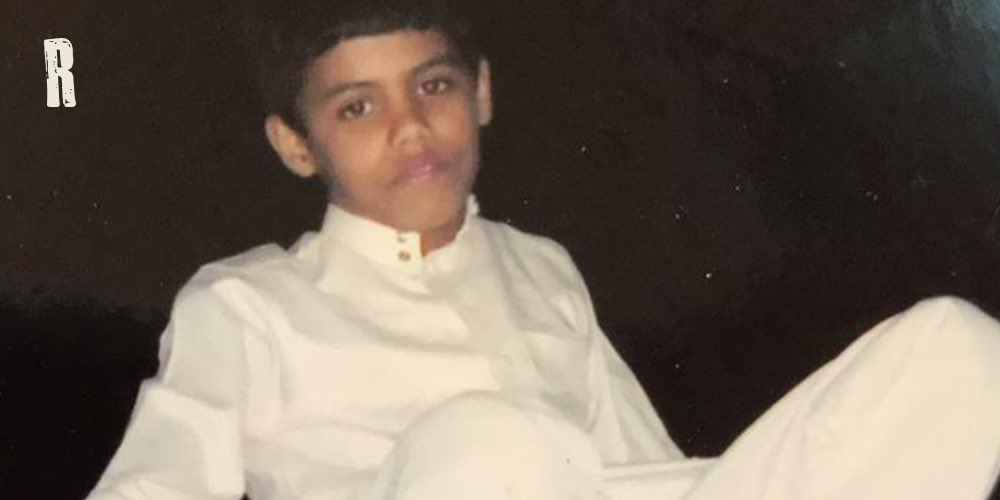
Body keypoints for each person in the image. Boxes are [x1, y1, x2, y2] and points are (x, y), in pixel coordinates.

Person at [88, 1, 1000, 499]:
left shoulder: (542, 268)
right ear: (296, 145)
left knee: (960, 348)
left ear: (481, 93)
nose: (410, 128)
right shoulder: (247, 304)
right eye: (358, 107)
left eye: (432, 86)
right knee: (494, 442)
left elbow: (644, 462)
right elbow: (154, 488)